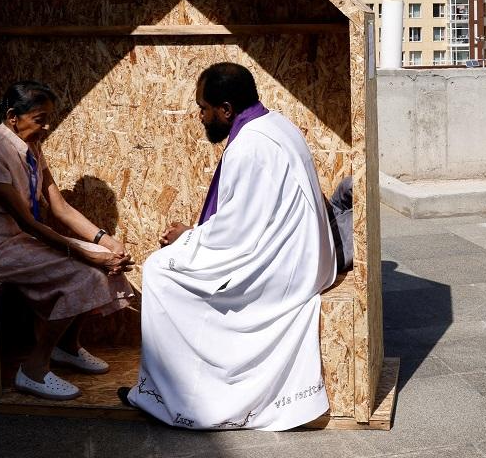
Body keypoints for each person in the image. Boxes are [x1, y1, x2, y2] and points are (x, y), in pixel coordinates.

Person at [123, 63, 337, 430]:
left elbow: (238, 233)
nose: (201, 117)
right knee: (173, 265)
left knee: (159, 271)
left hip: (284, 267)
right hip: (301, 253)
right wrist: (197, 234)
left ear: (226, 109)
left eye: (204, 109)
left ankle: (175, 395)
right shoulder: (276, 124)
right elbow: (249, 217)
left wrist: (188, 237)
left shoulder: (249, 147)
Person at [0, 81, 134, 401]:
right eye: (40, 118)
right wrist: (87, 255)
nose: (47, 126)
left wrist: (104, 242)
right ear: (13, 116)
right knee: (84, 273)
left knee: (98, 262)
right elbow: (29, 222)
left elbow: (60, 208)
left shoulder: (31, 148)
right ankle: (33, 370)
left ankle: (66, 347)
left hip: (15, 239)